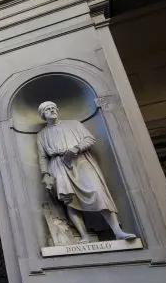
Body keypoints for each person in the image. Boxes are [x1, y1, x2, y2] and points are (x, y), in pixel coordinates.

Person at [36, 100, 136, 243]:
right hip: (58, 165)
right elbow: (42, 157)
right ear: (43, 115)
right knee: (69, 200)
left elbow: (89, 138)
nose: (52, 110)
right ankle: (84, 236)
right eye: (48, 109)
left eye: (54, 108)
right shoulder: (42, 134)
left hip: (80, 160)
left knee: (98, 192)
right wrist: (45, 174)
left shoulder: (73, 124)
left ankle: (117, 231)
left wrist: (75, 149)